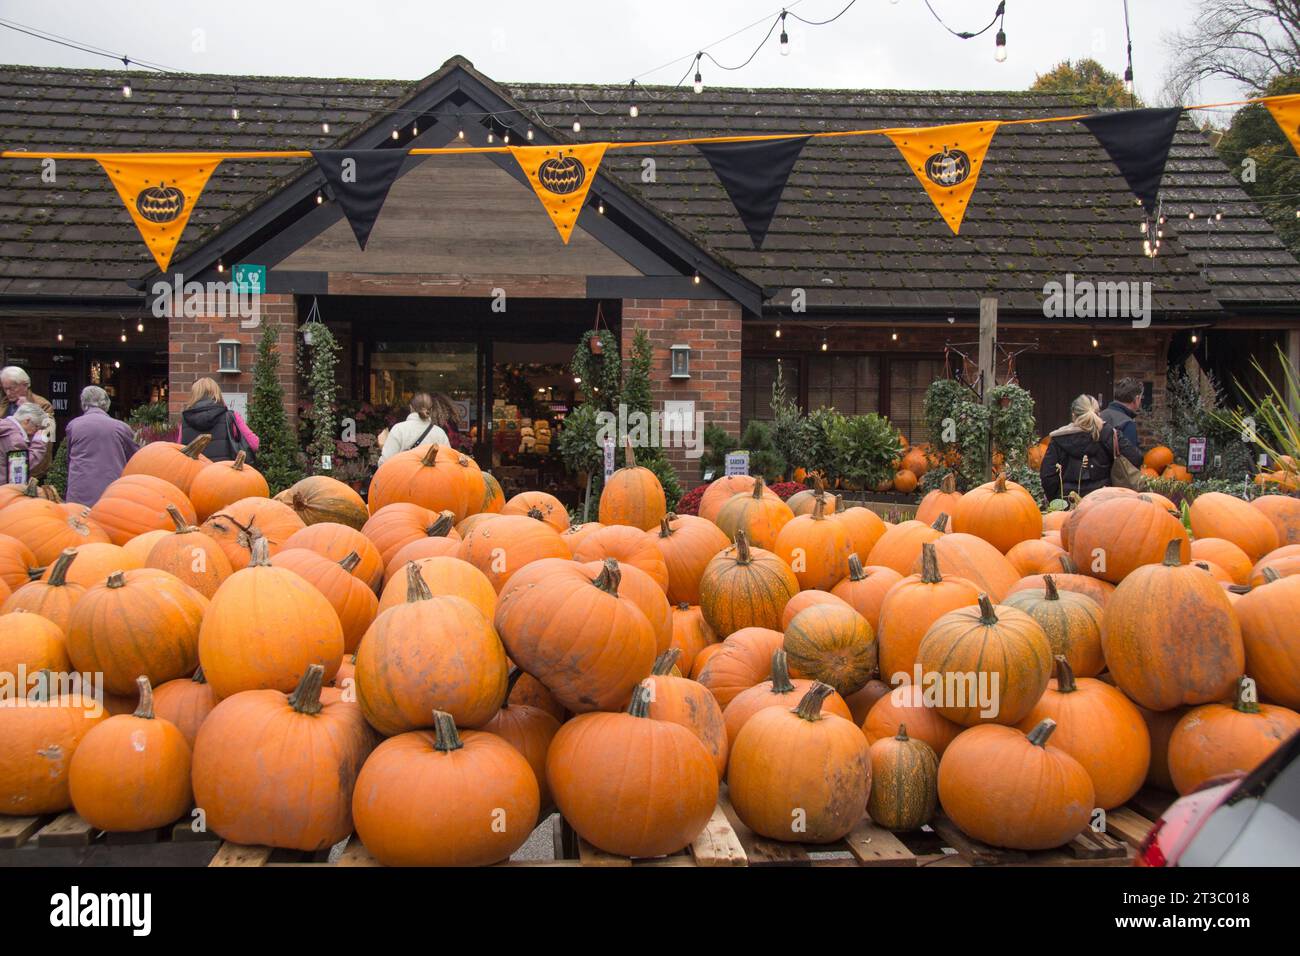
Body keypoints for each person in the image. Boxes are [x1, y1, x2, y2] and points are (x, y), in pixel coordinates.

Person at [1040, 393, 1142, 501]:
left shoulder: (1059, 438)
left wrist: (1057, 499)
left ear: (1074, 415)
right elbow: (1136, 458)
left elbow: (1047, 476)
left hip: (1068, 502)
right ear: (1098, 413)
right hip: (1104, 503)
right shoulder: (1109, 434)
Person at [64, 386, 139, 507]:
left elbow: (69, 458)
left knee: (78, 523)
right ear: (106, 404)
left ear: (83, 403)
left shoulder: (73, 426)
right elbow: (136, 457)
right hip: (111, 491)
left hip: (79, 491)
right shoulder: (121, 428)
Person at [176, 378, 259, 463]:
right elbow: (254, 443)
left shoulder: (185, 421)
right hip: (223, 473)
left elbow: (180, 451)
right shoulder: (230, 416)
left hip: (195, 474)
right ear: (216, 393)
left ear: (194, 395)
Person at [1, 366, 55, 477]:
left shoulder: (43, 405)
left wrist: (30, 407)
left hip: (32, 468)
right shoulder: (3, 404)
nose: (8, 392)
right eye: (5, 389)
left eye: (12, 388)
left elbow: (49, 436)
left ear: (25, 385)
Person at [377, 392, 451, 465]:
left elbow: (384, 463)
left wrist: (382, 446)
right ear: (431, 410)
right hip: (432, 477)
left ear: (411, 407)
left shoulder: (399, 429)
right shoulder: (440, 433)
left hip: (403, 476)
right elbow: (448, 462)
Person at [1, 403, 49, 483]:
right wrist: (39, 443)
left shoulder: (4, 426)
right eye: (37, 426)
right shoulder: (14, 438)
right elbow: (21, 467)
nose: (36, 431)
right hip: (5, 490)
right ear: (27, 421)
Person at [1100, 377, 1144, 454]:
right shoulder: (1127, 423)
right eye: (1141, 398)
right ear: (1136, 399)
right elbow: (1131, 458)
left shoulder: (1099, 416)